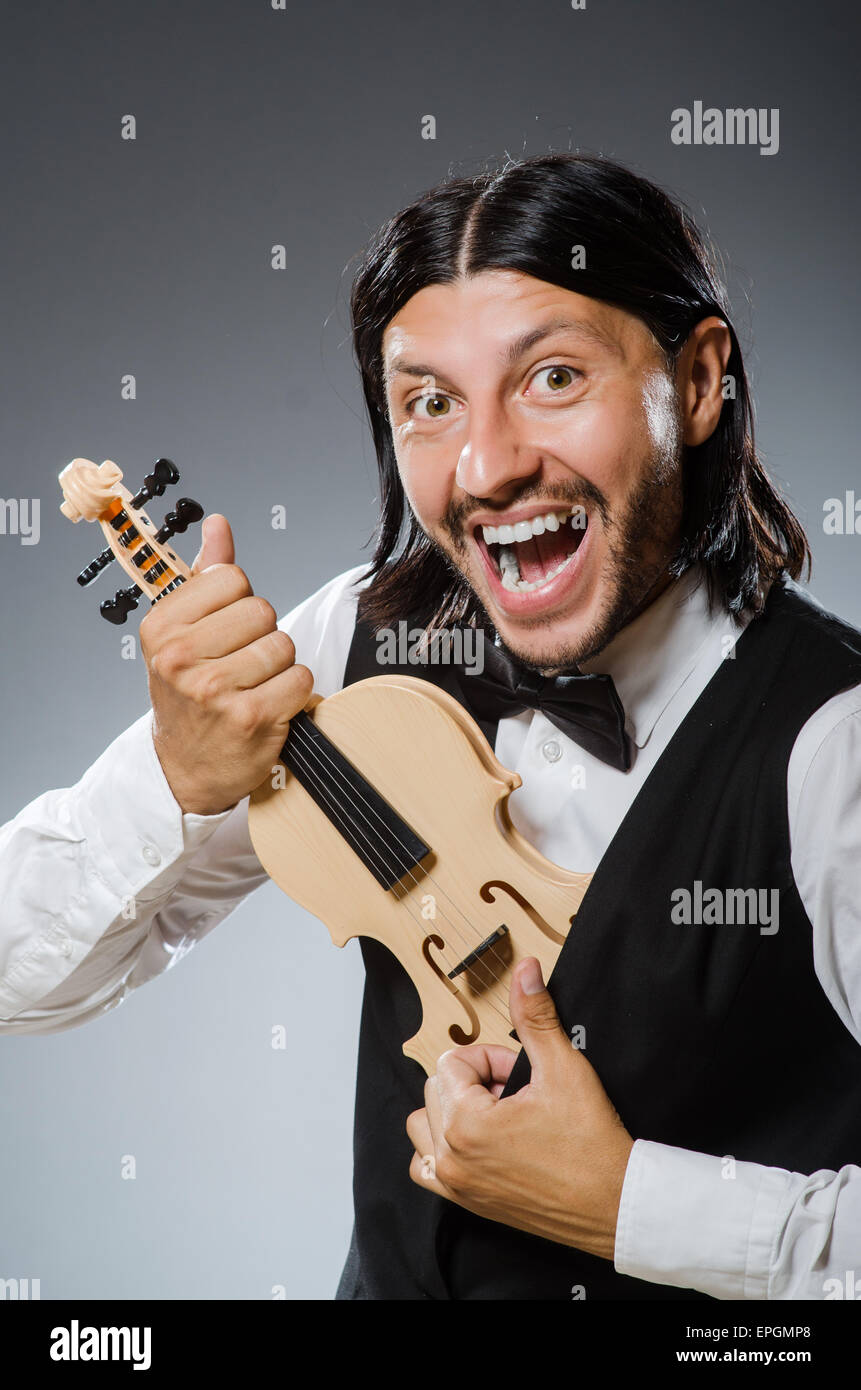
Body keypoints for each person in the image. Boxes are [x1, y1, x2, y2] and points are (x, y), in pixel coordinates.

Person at [2, 153, 860, 1301]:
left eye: (553, 376)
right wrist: (176, 778)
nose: (488, 465)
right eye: (429, 401)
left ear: (699, 383)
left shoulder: (831, 743)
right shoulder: (348, 644)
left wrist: (629, 1205)